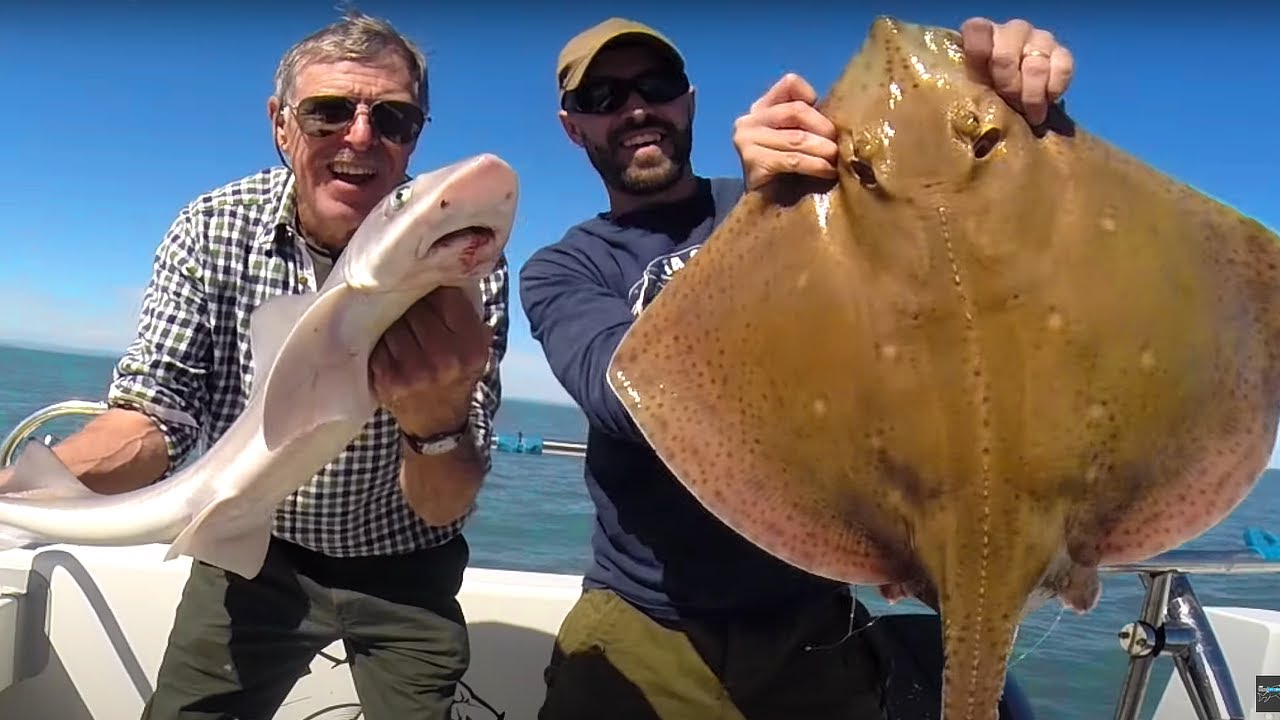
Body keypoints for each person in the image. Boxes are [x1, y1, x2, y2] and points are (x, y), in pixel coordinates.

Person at [519, 15, 1074, 720]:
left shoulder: (818, 194)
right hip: (649, 621)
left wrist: (1018, 109)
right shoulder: (565, 266)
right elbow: (622, 397)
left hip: (812, 610)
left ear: (688, 101)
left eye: (655, 87)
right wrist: (761, 217)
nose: (635, 109)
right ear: (574, 128)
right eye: (602, 98)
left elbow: (961, 271)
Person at [0, 10, 508, 719]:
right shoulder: (215, 227)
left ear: (414, 135)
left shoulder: (464, 265)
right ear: (281, 123)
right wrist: (32, 488)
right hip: (256, 544)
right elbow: (158, 414)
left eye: (393, 118)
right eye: (329, 112)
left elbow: (446, 500)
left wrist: (435, 420)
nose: (360, 136)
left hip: (406, 563)